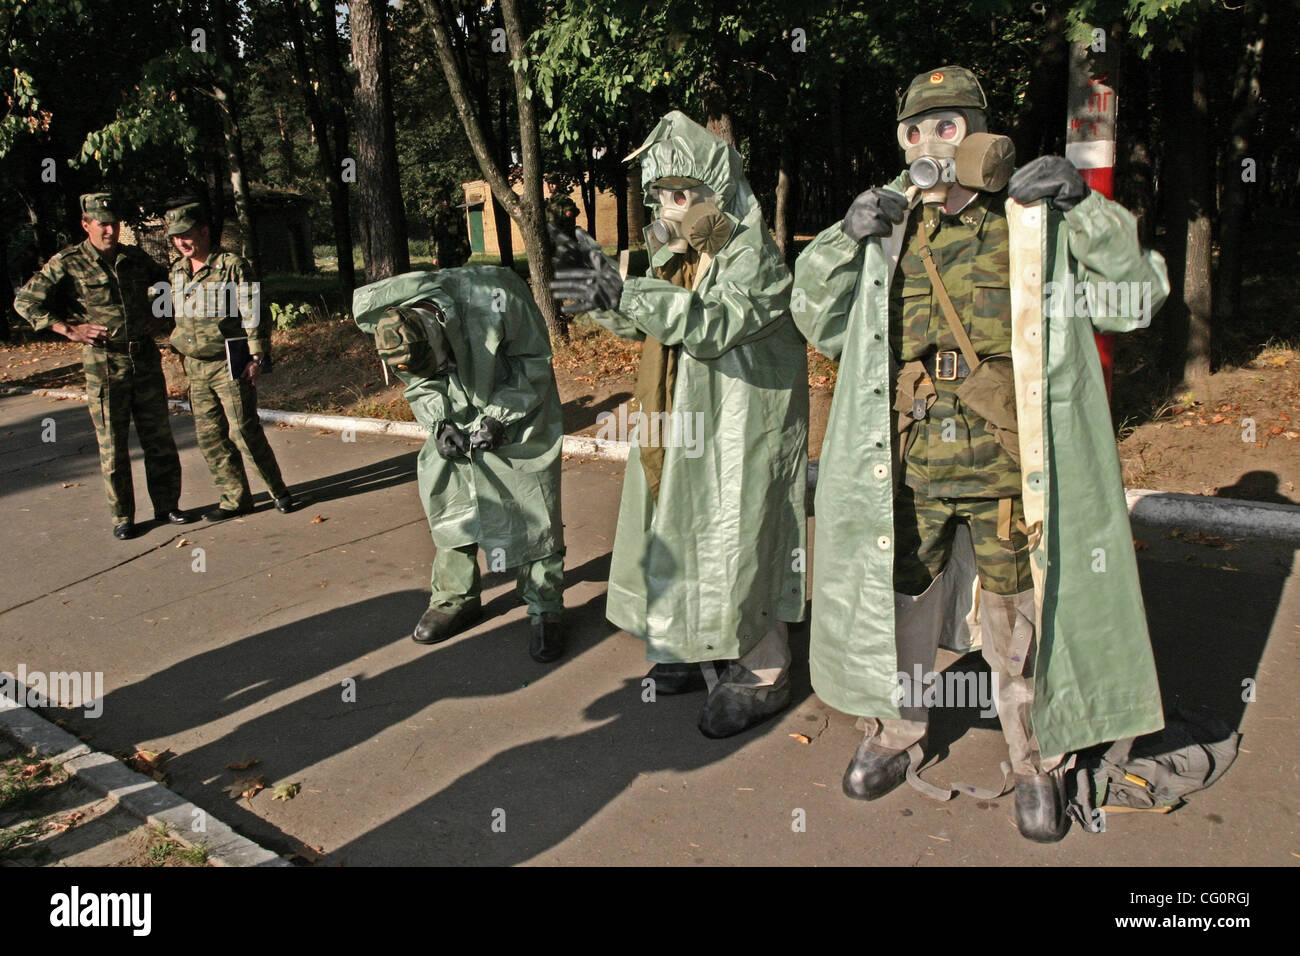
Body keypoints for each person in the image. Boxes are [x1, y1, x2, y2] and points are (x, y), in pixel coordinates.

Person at [792, 65, 1170, 841]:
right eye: (914, 130)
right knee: (900, 605)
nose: (928, 144)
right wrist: (842, 235)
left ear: (978, 135)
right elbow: (815, 317)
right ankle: (896, 733)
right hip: (906, 460)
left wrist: (1085, 206)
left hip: (1007, 463)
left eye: (946, 127)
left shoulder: (1031, 222)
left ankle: (1036, 763)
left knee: (1016, 619)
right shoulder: (888, 229)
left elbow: (1135, 302)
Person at [549, 111, 808, 738]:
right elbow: (652, 326)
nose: (671, 207)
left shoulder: (753, 253)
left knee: (744, 541)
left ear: (718, 193)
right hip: (679, 420)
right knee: (682, 532)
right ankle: (692, 645)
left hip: (743, 428)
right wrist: (603, 295)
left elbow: (713, 323)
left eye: (683, 194)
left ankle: (765, 671)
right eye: (662, 195)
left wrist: (628, 295)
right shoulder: (677, 254)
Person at [352, 267, 566, 662]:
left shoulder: (499, 298)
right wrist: (439, 421)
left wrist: (499, 417)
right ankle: (455, 598)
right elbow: (420, 380)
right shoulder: (397, 320)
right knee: (448, 491)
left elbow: (534, 361)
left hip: (520, 399)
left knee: (531, 498)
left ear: (440, 332)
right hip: (455, 401)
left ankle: (545, 606)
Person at [14, 192, 194, 539]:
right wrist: (68, 329)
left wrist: (159, 316)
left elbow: (167, 283)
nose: (110, 230)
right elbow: (26, 300)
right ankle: (123, 515)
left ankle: (167, 505)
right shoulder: (68, 262)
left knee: (158, 437)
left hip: (142, 357)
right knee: (113, 444)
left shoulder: (134, 258)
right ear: (86, 225)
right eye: (102, 224)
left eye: (114, 223)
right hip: (104, 362)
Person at [163, 199, 294, 520]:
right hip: (195, 367)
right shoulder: (177, 271)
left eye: (187, 234)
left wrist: (257, 355)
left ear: (205, 231)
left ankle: (278, 491)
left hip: (228, 361)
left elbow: (253, 309)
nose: (181, 242)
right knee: (211, 438)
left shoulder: (231, 265)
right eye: (176, 237)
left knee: (244, 432)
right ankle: (235, 500)